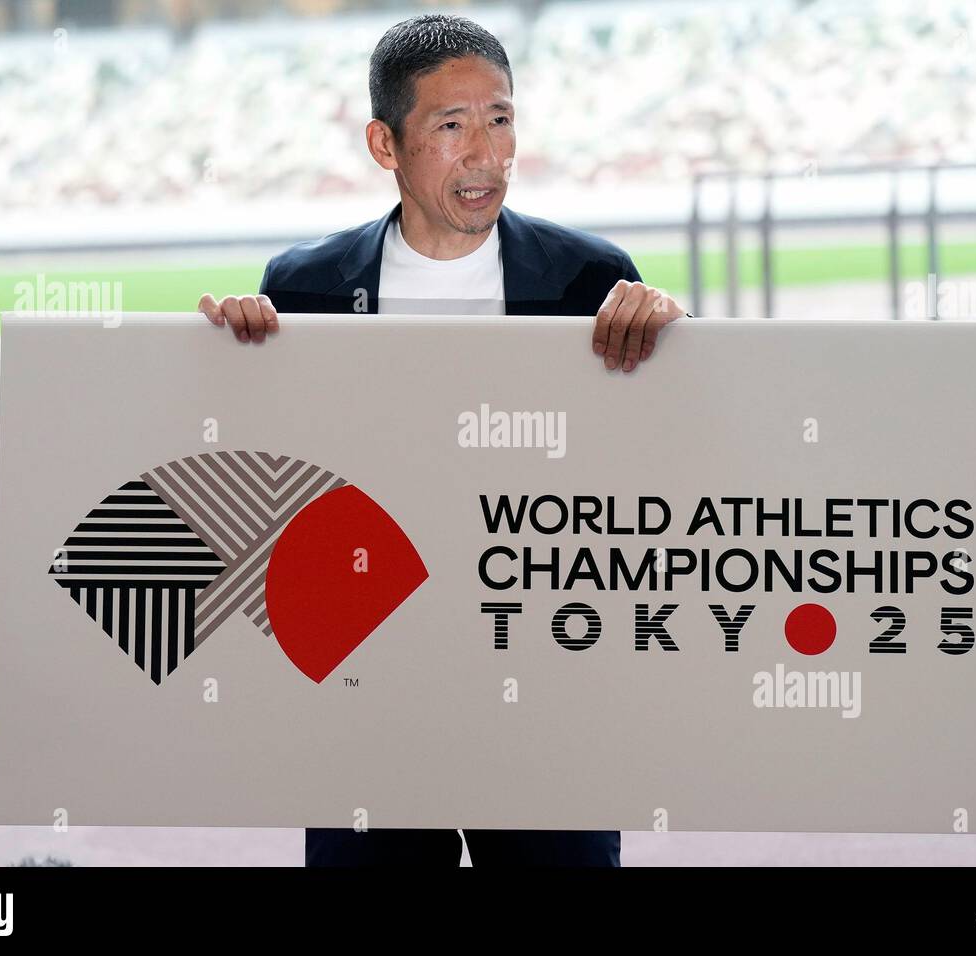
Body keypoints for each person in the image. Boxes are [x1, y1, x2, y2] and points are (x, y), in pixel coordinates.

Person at [197, 13, 689, 867]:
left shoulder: (589, 276)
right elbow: (265, 483)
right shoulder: (304, 286)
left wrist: (678, 344)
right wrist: (222, 366)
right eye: (451, 126)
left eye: (500, 120)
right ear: (385, 145)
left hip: (544, 689)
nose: (486, 153)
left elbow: (655, 470)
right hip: (369, 688)